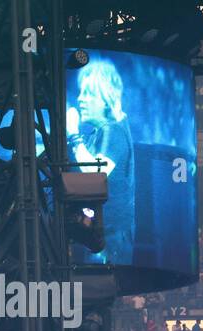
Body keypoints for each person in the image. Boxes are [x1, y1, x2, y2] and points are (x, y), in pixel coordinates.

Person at [69, 58, 134, 265]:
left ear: (106, 97)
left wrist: (73, 135)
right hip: (104, 234)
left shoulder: (113, 130)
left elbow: (95, 176)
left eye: (88, 93)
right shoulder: (102, 132)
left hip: (111, 239)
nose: (80, 99)